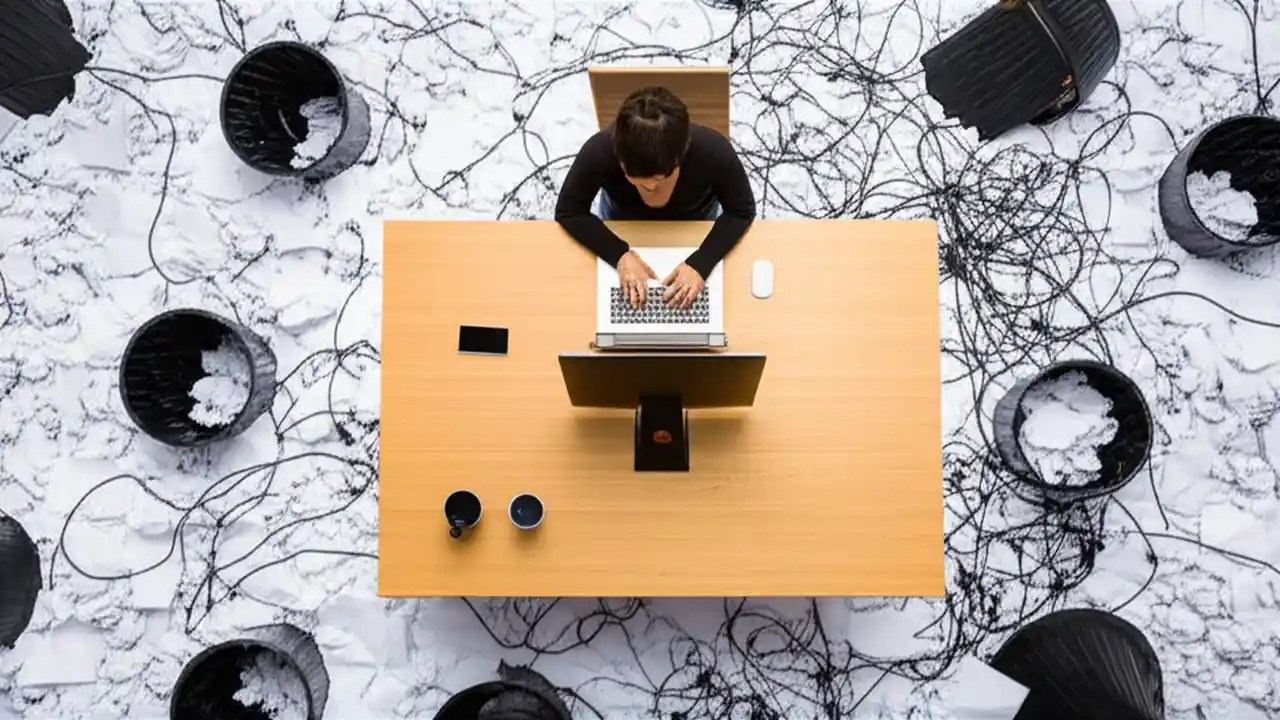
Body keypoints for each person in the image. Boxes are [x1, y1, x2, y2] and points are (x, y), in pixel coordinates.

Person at [555, 86, 756, 308]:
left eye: (661, 178)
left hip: (697, 220)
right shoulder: (598, 151)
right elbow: (569, 210)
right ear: (618, 156)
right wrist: (620, 255)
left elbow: (741, 211)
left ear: (683, 153)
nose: (650, 187)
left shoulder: (715, 151)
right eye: (636, 180)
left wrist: (702, 262)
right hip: (621, 220)